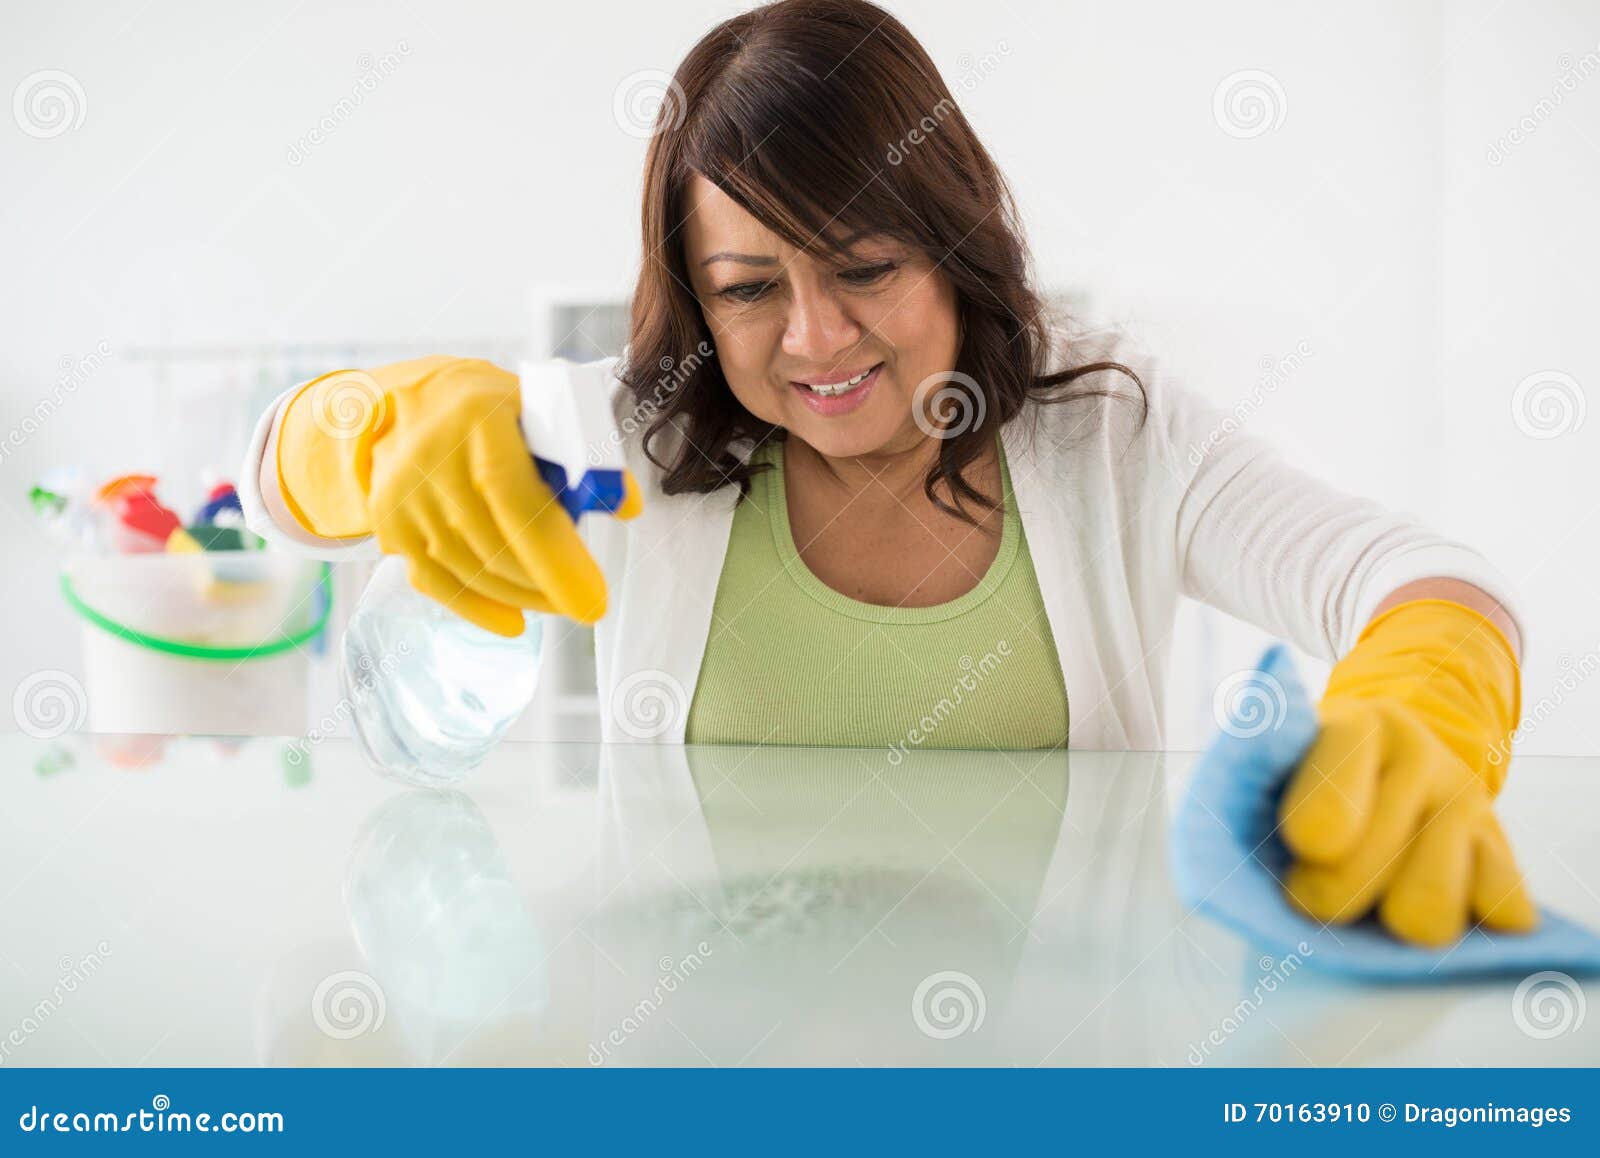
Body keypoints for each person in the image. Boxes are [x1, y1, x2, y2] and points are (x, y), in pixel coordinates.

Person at [241, 0, 1533, 947]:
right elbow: (265, 492)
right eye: (750, 287)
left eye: (864, 268)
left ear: (953, 242)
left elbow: (1420, 576)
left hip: (1035, 1073)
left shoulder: (1112, 437)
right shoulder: (639, 443)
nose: (815, 338)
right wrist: (365, 425)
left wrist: (1425, 710)